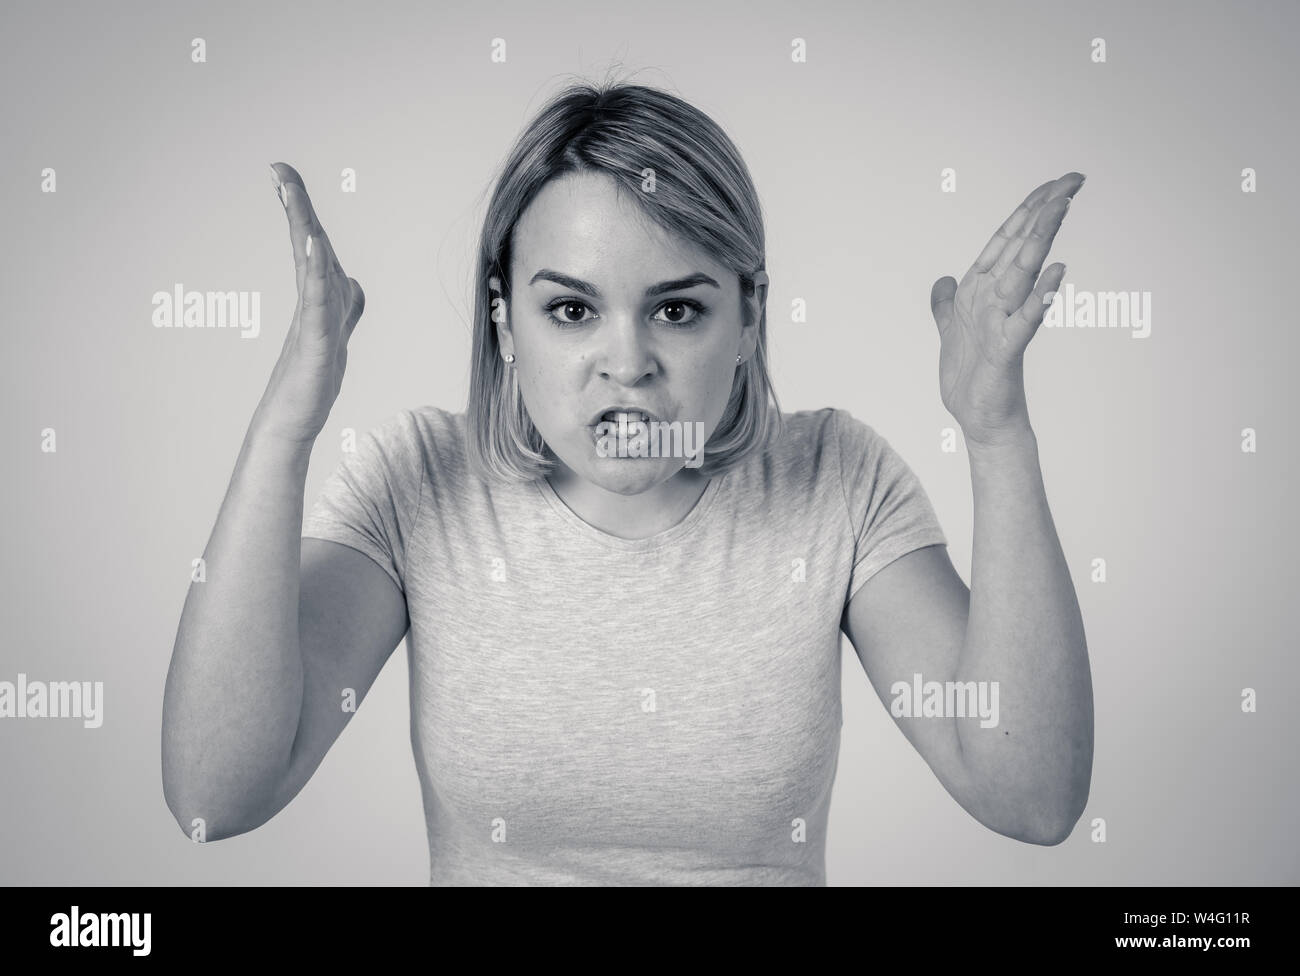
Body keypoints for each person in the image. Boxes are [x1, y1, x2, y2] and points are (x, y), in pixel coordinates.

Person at [161, 80, 1094, 886]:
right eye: (570, 309)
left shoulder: (835, 479)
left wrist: (997, 433)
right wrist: (286, 423)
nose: (627, 363)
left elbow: (1031, 794)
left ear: (748, 319)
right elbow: (216, 793)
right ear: (504, 324)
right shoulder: (418, 482)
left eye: (678, 309)